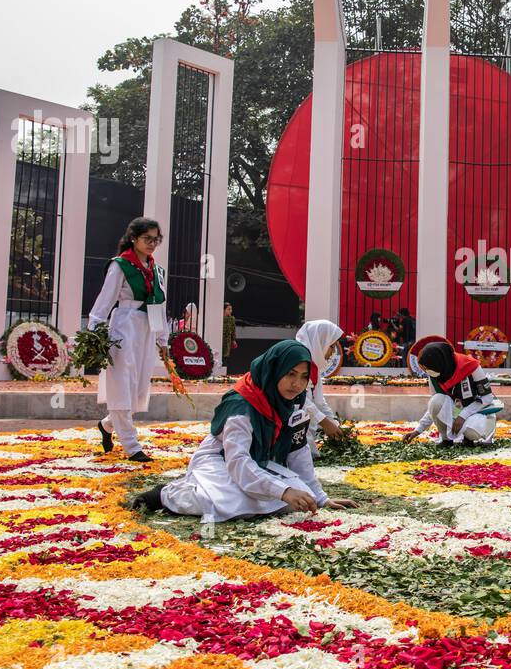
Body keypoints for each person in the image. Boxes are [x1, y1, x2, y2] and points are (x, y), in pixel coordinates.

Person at [137, 340, 358, 522]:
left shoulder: (293, 400)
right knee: (229, 504)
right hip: (221, 460)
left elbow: (297, 451)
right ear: (275, 370)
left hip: (258, 460)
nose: (297, 384)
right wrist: (283, 491)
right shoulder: (243, 406)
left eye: (303, 376)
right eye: (290, 374)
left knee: (300, 497)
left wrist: (321, 498)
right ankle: (166, 495)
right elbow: (238, 462)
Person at [88, 218, 170, 462]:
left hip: (147, 330)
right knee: (121, 383)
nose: (152, 244)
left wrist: (163, 340)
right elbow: (104, 302)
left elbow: (160, 305)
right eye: (147, 239)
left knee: (137, 387)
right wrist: (95, 333)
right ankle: (132, 446)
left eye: (156, 240)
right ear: (134, 238)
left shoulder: (157, 270)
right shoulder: (120, 265)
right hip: (124, 326)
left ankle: (107, 425)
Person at [401, 340, 502, 446]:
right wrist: (418, 430)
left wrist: (463, 415)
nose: (427, 372)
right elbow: (435, 406)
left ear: (439, 362)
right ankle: (446, 439)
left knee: (472, 431)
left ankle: (468, 439)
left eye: (427, 368)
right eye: (425, 368)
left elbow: (487, 398)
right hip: (456, 410)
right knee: (436, 400)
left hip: (476, 410)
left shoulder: (471, 366)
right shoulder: (435, 375)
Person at [294, 318, 346, 455]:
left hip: (304, 436)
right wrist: (324, 422)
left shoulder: (314, 368)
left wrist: (333, 422)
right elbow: (298, 398)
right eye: (332, 346)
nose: (333, 352)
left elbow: (319, 402)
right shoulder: (295, 361)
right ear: (320, 342)